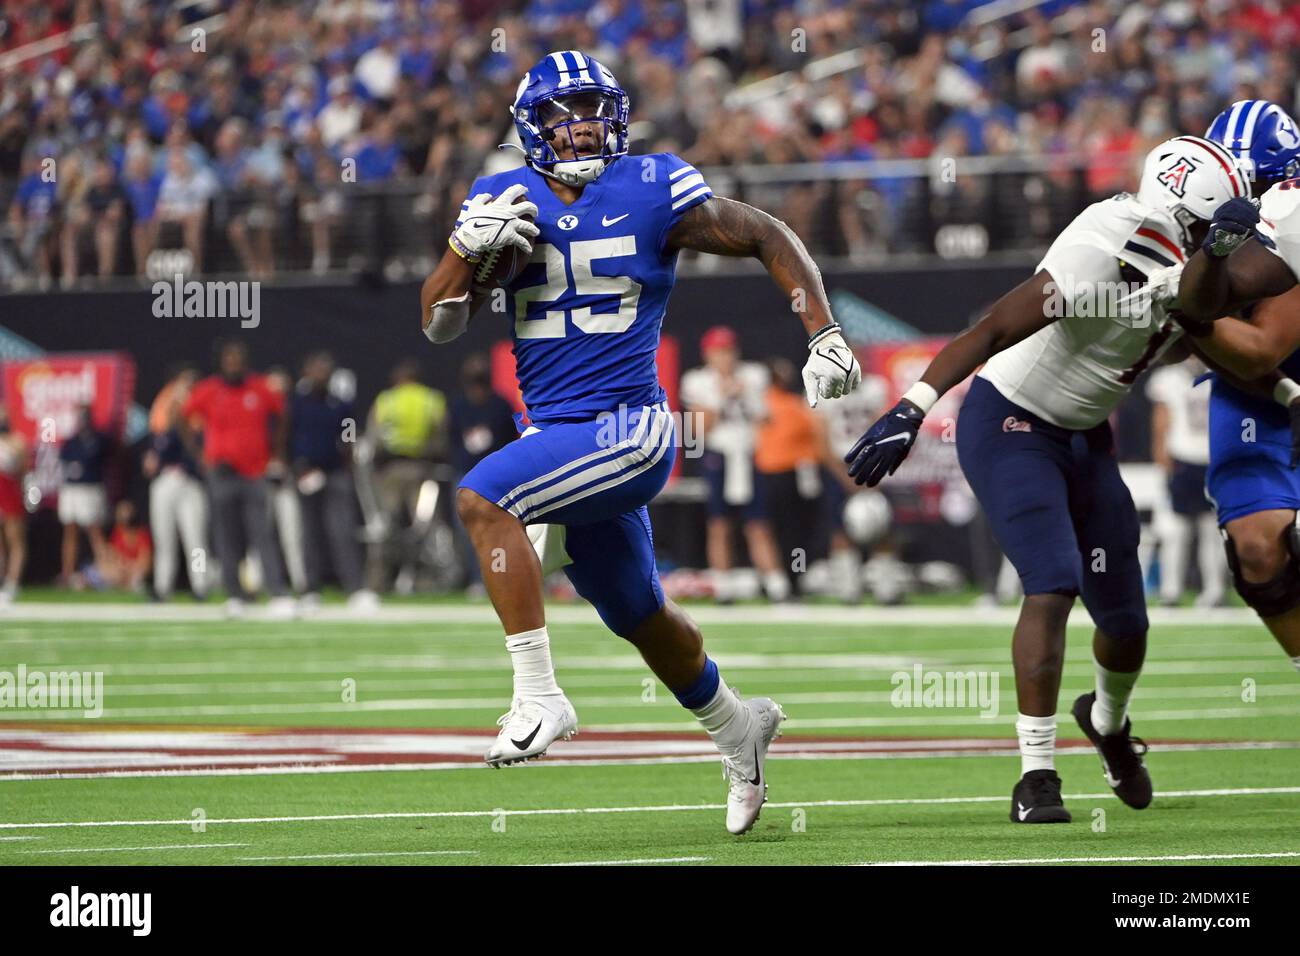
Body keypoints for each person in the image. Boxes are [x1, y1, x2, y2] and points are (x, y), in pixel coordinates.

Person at [420, 51, 861, 833]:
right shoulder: (499, 195)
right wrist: (467, 253)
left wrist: (823, 330)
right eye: (564, 110)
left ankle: (538, 693)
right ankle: (738, 725)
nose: (582, 121)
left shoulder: (652, 186)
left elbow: (765, 232)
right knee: (637, 611)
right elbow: (439, 319)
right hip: (559, 433)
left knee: (481, 495)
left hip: (629, 429)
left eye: (593, 105)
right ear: (533, 125)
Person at [845, 136, 1246, 824]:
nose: (1221, 239)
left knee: (1125, 619)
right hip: (1012, 421)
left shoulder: (1193, 259)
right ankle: (1036, 774)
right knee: (1054, 580)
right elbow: (998, 325)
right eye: (1214, 228)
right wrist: (911, 409)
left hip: (1086, 436)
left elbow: (1203, 314)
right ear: (1188, 217)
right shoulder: (1105, 244)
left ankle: (1110, 725)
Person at [1169, 101, 1300, 668]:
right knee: (1254, 548)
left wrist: (1183, 306)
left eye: (1263, 182)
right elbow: (1173, 344)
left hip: (1272, 374)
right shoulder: (1195, 219)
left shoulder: (1290, 216)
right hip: (1253, 399)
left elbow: (1263, 348)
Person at [181, 340, 294, 618]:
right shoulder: (208, 390)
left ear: (246, 362)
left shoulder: (260, 387)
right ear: (222, 363)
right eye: (229, 360)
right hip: (221, 473)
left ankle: (277, 592)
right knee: (226, 536)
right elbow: (182, 417)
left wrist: (276, 453)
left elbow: (282, 416)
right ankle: (235, 595)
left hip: (254, 473)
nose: (234, 365)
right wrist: (198, 454)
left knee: (262, 534)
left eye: (238, 360)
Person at [681, 327, 789, 602]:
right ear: (708, 354)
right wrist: (722, 395)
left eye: (728, 350)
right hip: (718, 455)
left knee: (759, 523)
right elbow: (700, 428)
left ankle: (777, 586)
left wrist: (745, 396)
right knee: (719, 523)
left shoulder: (753, 375)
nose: (725, 357)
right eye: (719, 351)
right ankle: (723, 587)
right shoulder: (697, 380)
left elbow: (767, 419)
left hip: (750, 455)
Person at [289, 351, 377, 613]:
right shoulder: (297, 403)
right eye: (317, 369)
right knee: (309, 533)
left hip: (335, 472)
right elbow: (286, 436)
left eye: (326, 370)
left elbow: (349, 436)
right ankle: (311, 589)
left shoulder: (340, 404)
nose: (322, 375)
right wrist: (296, 468)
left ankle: (354, 588)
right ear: (306, 372)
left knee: (342, 532)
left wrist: (347, 467)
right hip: (306, 474)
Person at [1146, 358, 1226, 608]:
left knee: (1212, 531)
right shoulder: (1167, 378)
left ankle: (1215, 592)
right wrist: (1163, 458)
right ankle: (1171, 591)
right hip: (1181, 460)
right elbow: (1161, 421)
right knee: (1176, 532)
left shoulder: (1221, 373)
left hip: (1212, 460)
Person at [364, 358, 447, 592]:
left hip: (391, 470)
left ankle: (378, 581)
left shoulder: (386, 400)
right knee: (427, 525)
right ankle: (432, 580)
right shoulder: (432, 399)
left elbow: (375, 438)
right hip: (422, 469)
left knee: (383, 525)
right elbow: (441, 437)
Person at [446, 353, 518, 589]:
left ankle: (503, 576)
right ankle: (478, 579)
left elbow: (512, 438)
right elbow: (452, 438)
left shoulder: (500, 404)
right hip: (467, 475)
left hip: (497, 477)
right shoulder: (458, 406)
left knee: (502, 528)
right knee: (467, 530)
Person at [144, 365, 209, 600]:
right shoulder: (165, 417)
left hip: (190, 483)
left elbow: (198, 452)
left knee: (195, 539)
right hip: (165, 482)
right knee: (164, 540)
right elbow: (156, 452)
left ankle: (201, 586)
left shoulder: (200, 419)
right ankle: (163, 588)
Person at [58, 405, 112, 588]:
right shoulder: (72, 441)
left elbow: (100, 459)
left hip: (90, 489)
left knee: (94, 532)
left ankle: (107, 574)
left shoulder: (98, 439)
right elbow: (64, 460)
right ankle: (67, 574)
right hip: (71, 490)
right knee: (70, 532)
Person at [0, 404, 28, 607]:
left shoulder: (17, 442)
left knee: (15, 540)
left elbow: (23, 469)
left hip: (10, 495)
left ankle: (12, 582)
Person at [95, 500, 153, 592]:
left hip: (135, 571)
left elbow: (146, 563)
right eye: (121, 512)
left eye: (127, 511)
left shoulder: (142, 534)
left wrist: (130, 568)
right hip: (120, 571)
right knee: (105, 568)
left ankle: (129, 586)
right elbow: (111, 556)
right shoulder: (116, 533)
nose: (124, 515)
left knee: (138, 575)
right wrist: (120, 567)